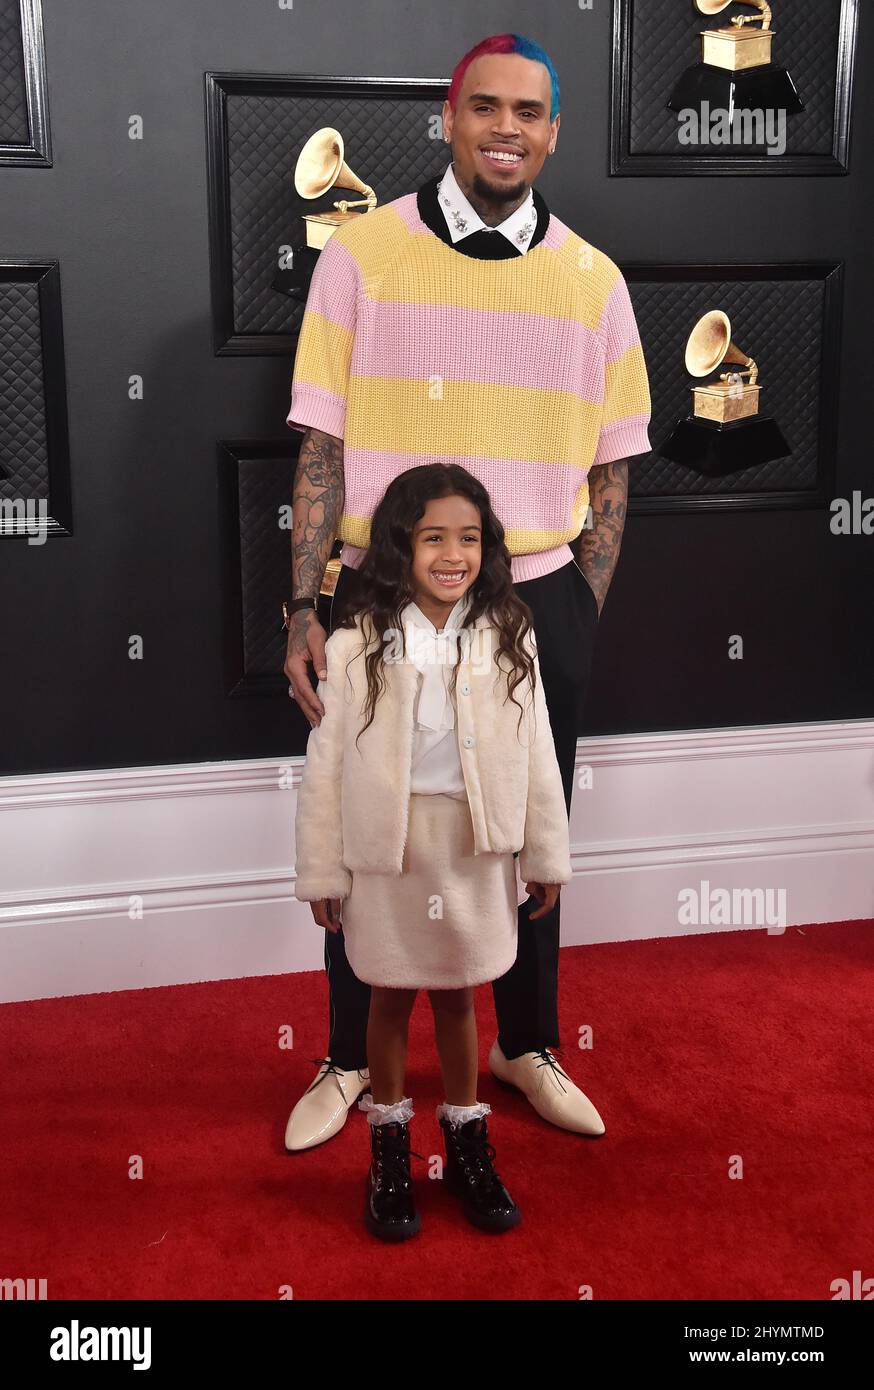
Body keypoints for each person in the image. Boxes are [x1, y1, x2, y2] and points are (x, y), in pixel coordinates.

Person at [283, 32, 652, 1150]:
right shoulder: (362, 255)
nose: (506, 127)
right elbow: (317, 446)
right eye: (483, 106)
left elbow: (612, 467)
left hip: (534, 600)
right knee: (369, 826)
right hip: (379, 599)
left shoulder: (594, 280)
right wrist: (306, 604)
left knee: (527, 829)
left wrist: (576, 605)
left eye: (528, 112)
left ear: (552, 130)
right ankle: (350, 1055)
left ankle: (524, 1040)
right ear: (446, 118)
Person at [293, 463, 572, 1238]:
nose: (454, 554)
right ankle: (389, 1145)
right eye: (434, 538)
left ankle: (466, 1137)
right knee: (387, 993)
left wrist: (544, 853)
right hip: (390, 852)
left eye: (470, 538)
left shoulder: (511, 635)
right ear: (400, 546)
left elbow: (539, 749)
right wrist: (322, 868)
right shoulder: (356, 645)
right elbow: (326, 767)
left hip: (474, 851)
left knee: (458, 996)